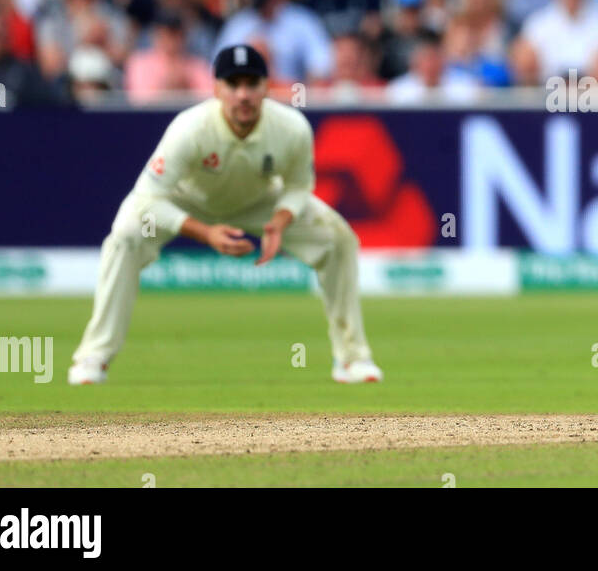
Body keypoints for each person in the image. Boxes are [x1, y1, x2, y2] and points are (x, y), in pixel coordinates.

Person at [67, 44, 382, 386]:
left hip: (260, 200)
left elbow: (298, 185)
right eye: (233, 85)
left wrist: (280, 221)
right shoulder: (190, 127)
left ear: (266, 87)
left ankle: (351, 359)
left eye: (251, 84)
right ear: (217, 89)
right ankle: (93, 357)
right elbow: (147, 198)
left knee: (337, 239)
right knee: (126, 234)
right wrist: (205, 232)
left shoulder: (292, 127)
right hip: (187, 201)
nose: (243, 95)